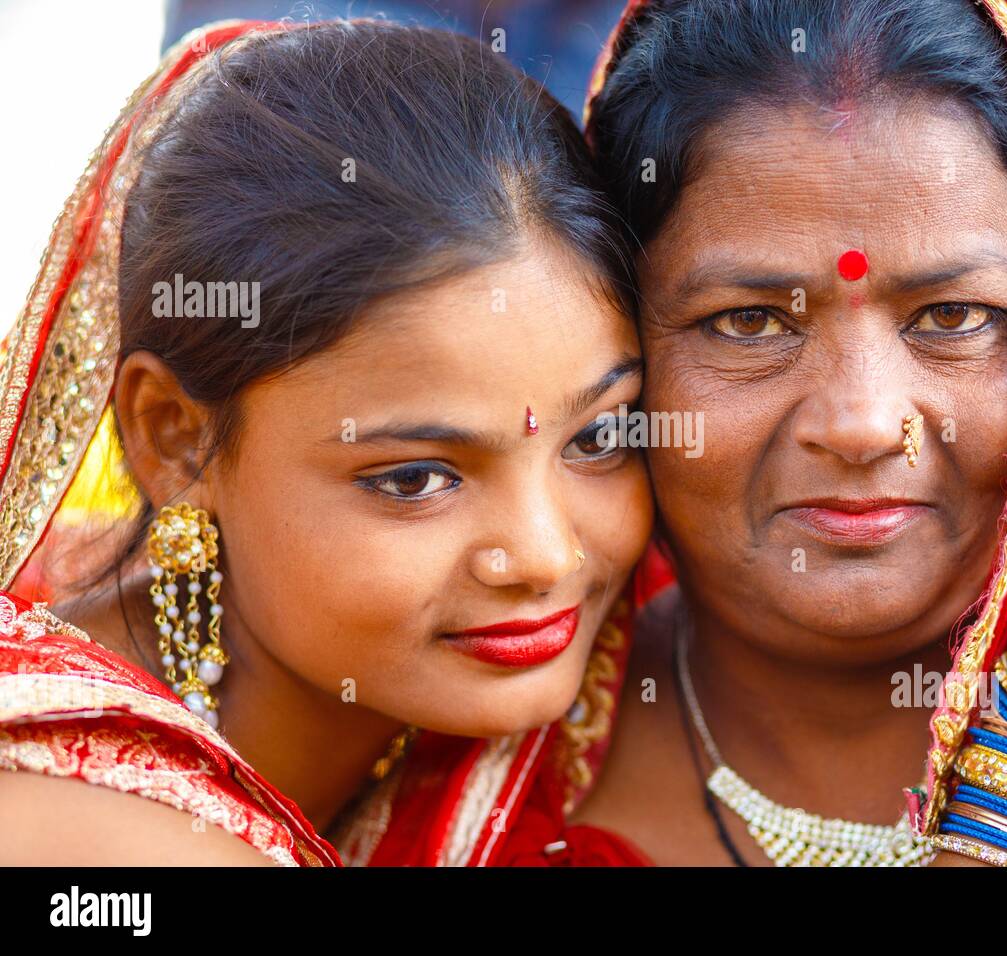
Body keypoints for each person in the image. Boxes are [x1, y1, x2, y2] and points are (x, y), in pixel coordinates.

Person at [357, 0, 1007, 866]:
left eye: (951, 316)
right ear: (615, 339)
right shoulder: (429, 735)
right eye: (751, 322)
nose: (860, 424)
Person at [0, 19, 652, 865]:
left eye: (598, 437)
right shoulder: (88, 833)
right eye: (417, 479)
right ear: (177, 441)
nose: (543, 555)